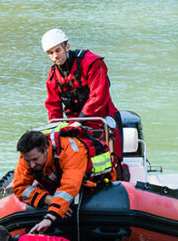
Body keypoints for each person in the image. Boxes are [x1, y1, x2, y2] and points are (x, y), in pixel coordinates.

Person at [41, 28, 123, 166]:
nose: (55, 56)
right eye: (50, 53)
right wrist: (55, 127)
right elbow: (53, 105)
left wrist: (81, 120)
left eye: (58, 50)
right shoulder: (53, 76)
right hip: (73, 124)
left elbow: (99, 95)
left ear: (67, 47)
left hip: (102, 121)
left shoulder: (92, 62)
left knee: (112, 162)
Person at [12, 129, 114, 235]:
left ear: (46, 148)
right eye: (27, 161)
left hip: (93, 184)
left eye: (35, 159)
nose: (31, 165)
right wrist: (48, 199)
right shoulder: (28, 156)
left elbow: (70, 186)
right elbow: (20, 187)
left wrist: (50, 217)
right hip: (56, 183)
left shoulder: (72, 150)